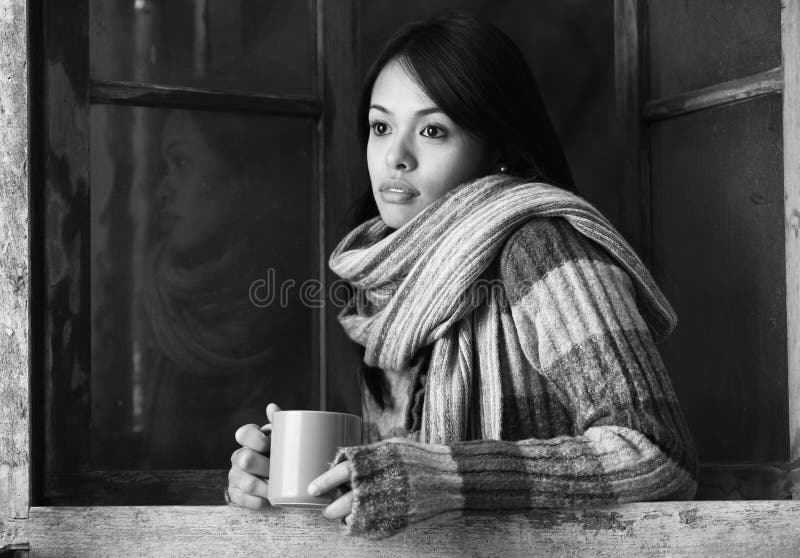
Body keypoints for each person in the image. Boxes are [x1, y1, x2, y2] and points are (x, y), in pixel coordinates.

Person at [226, 13, 698, 538]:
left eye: (432, 130)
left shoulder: (540, 247)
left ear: (496, 147)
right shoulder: (390, 276)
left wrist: (447, 476)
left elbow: (657, 451)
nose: (395, 156)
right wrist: (291, 477)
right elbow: (405, 481)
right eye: (381, 127)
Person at [139, 110, 311, 468]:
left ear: (235, 177)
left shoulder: (290, 302)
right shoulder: (163, 300)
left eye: (182, 162)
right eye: (165, 167)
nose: (162, 189)